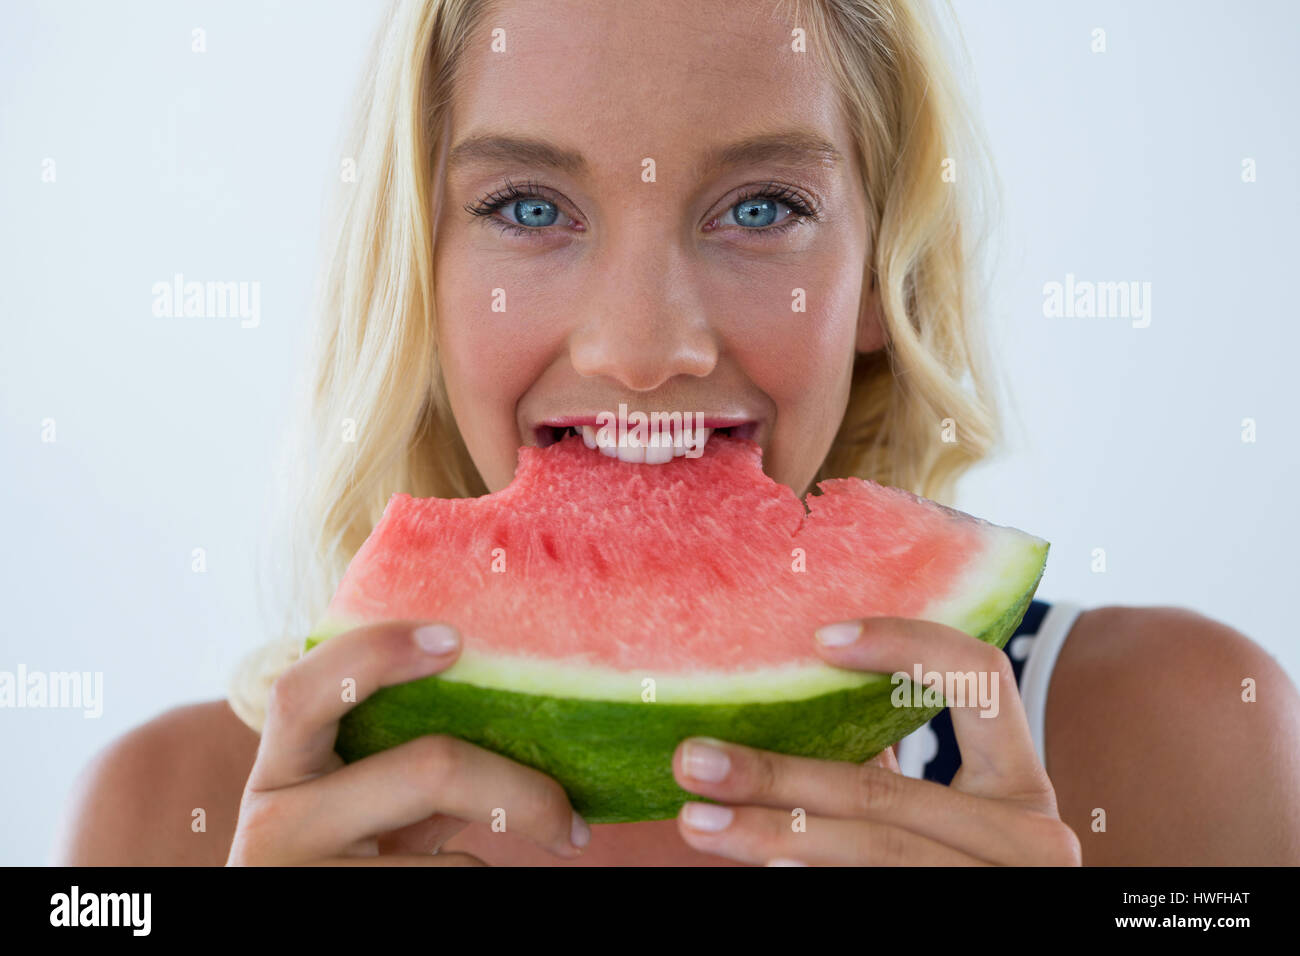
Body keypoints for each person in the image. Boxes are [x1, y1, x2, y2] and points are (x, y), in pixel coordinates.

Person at [55, 0, 1300, 866]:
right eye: (528, 205)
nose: (643, 345)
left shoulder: (1163, 735)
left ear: (879, 274)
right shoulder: (169, 815)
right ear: (419, 271)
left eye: (762, 206)